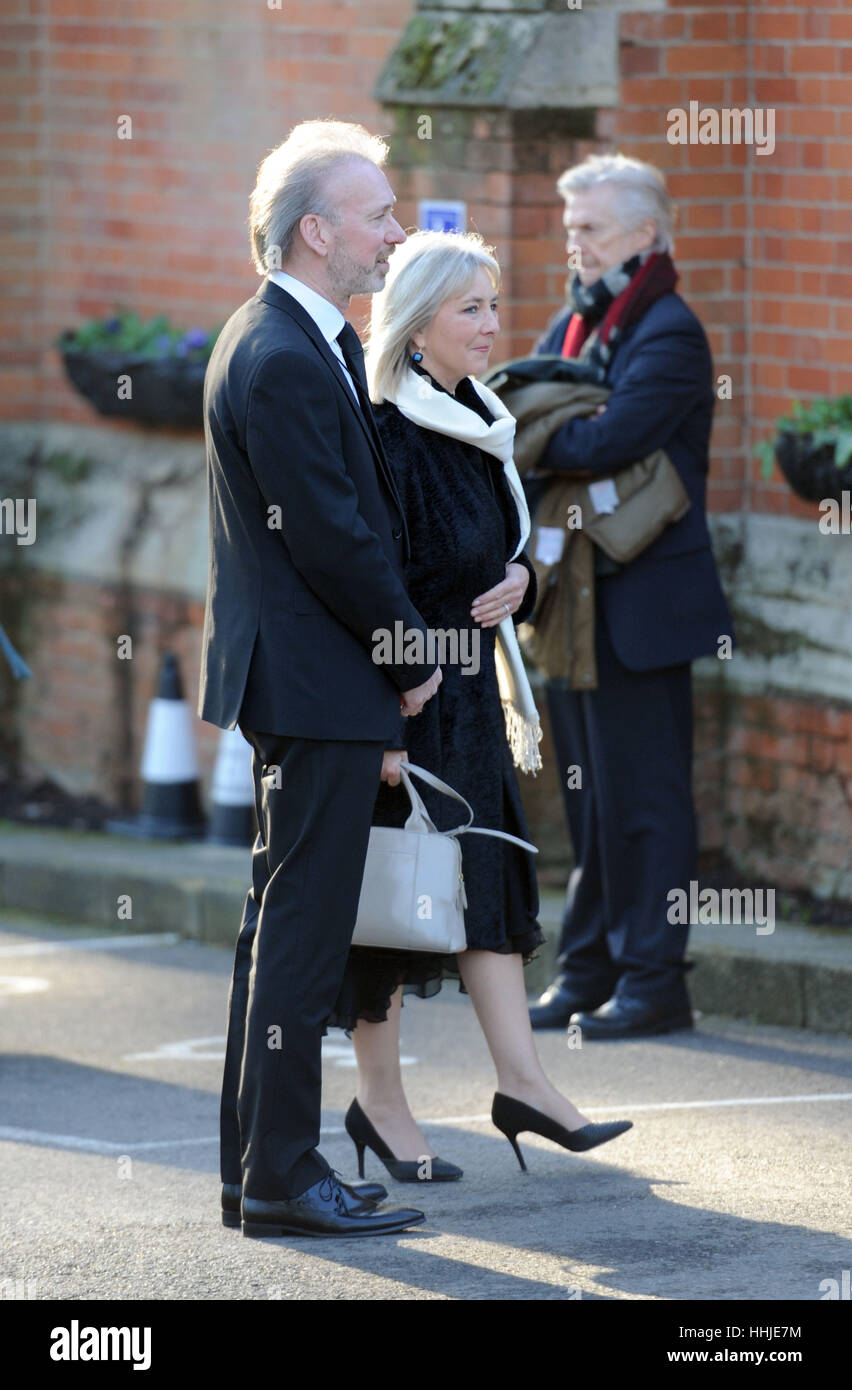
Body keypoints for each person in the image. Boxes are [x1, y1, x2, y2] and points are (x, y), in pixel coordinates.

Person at [324, 230, 632, 1179]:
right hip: (406, 702)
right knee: (392, 905)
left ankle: (525, 1084)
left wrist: (520, 585)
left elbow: (502, 558)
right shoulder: (384, 430)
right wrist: (382, 725)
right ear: (417, 327)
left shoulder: (478, 418)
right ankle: (378, 1105)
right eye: (472, 309)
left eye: (495, 305)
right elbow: (362, 583)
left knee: (488, 891)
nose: (495, 325)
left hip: (470, 699)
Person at [199, 120, 443, 1238]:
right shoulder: (283, 352)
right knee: (301, 935)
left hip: (303, 681)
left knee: (282, 928)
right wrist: (410, 654)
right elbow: (337, 540)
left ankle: (257, 1166)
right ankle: (287, 1175)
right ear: (316, 229)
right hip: (316, 683)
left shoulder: (292, 337)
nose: (396, 232)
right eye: (380, 213)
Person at [526, 154, 735, 1040]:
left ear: (645, 234)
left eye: (591, 229)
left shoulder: (671, 332)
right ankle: (588, 970)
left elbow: (603, 439)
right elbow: (523, 401)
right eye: (570, 228)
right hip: (577, 598)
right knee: (591, 798)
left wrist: (539, 427)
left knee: (647, 802)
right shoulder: (581, 321)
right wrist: (540, 421)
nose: (573, 244)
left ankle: (656, 982)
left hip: (643, 608)